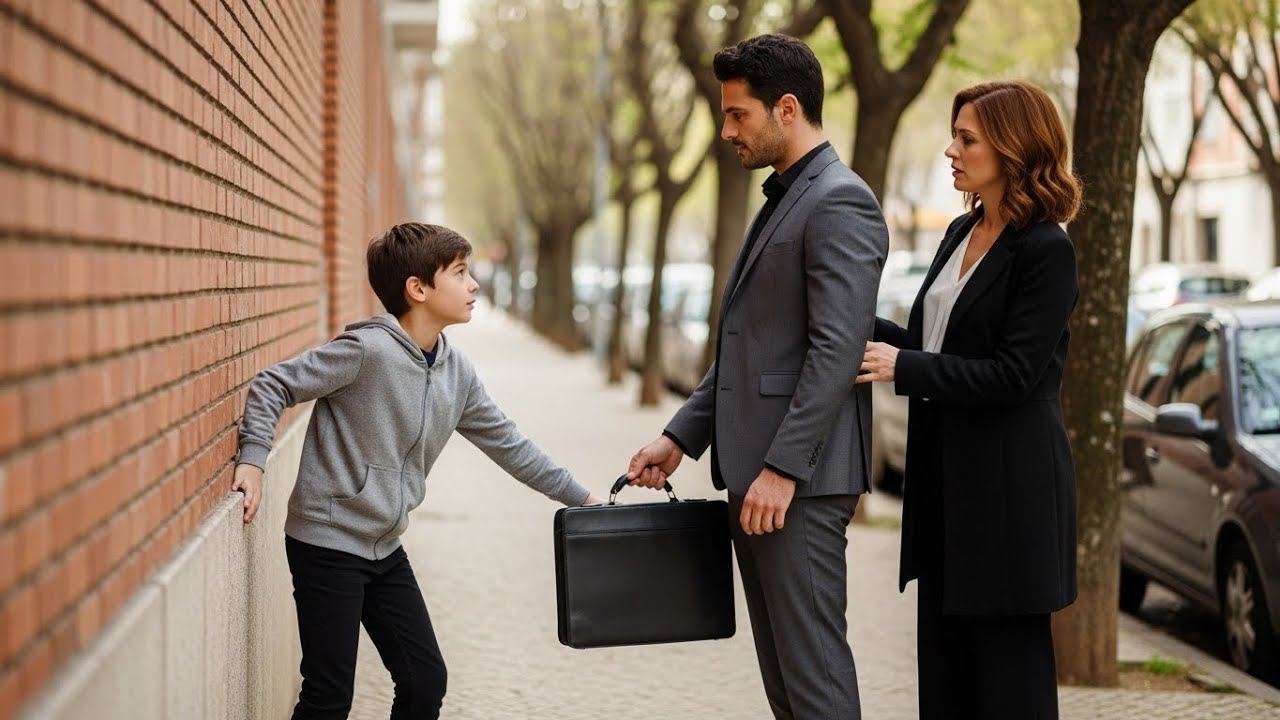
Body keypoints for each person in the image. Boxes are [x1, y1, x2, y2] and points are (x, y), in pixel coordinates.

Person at [231, 222, 602, 720]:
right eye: (460, 273)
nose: (474, 286)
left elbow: (510, 444)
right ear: (418, 288)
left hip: (384, 546)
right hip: (327, 542)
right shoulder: (366, 352)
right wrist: (253, 461)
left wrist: (581, 498)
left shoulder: (456, 372)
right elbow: (274, 384)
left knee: (425, 680)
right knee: (328, 695)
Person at [628, 34, 889, 720]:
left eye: (738, 114)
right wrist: (681, 436)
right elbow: (749, 347)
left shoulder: (839, 201)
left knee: (815, 678)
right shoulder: (786, 195)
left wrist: (783, 469)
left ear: (788, 109)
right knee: (787, 682)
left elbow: (836, 351)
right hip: (760, 479)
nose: (726, 130)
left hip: (795, 484)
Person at [856, 80, 1082, 719]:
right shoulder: (961, 230)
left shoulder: (1046, 249)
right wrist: (856, 324)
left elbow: (1013, 375)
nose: (950, 150)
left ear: (1012, 147)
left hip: (1009, 499)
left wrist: (904, 366)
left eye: (967, 138)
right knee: (946, 685)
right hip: (946, 494)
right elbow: (936, 344)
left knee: (1009, 689)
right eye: (953, 135)